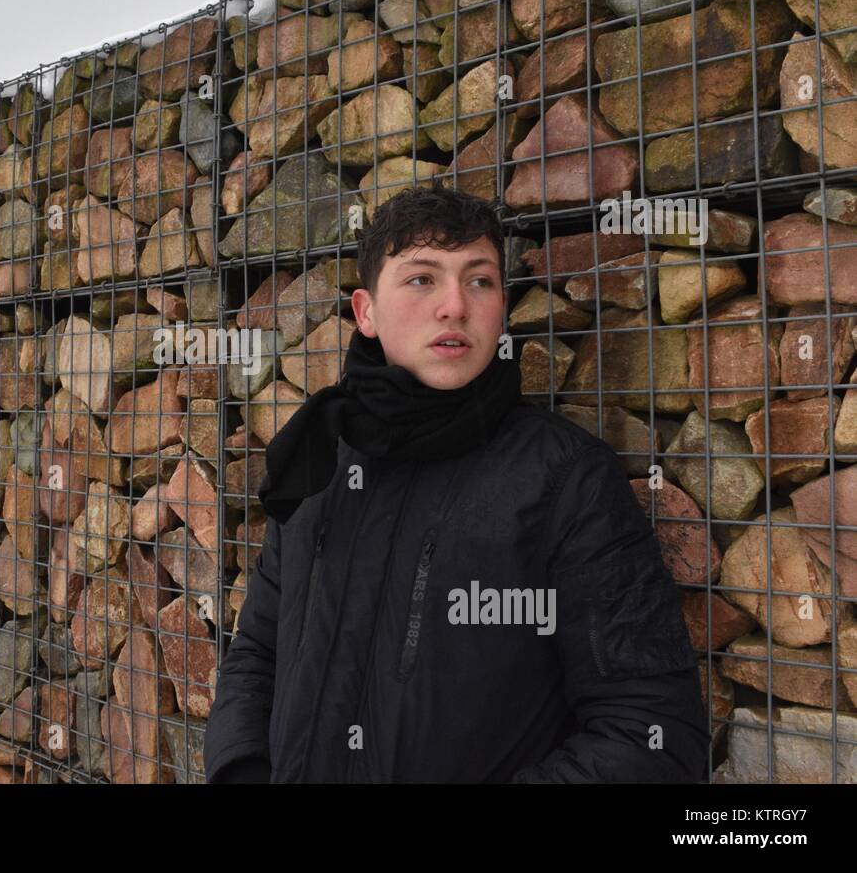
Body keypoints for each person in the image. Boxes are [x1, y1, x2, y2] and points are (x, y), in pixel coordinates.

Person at [203, 184, 709, 783]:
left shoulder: (564, 478)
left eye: (480, 280)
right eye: (422, 279)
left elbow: (652, 733)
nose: (454, 307)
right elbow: (259, 650)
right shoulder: (322, 459)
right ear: (365, 311)